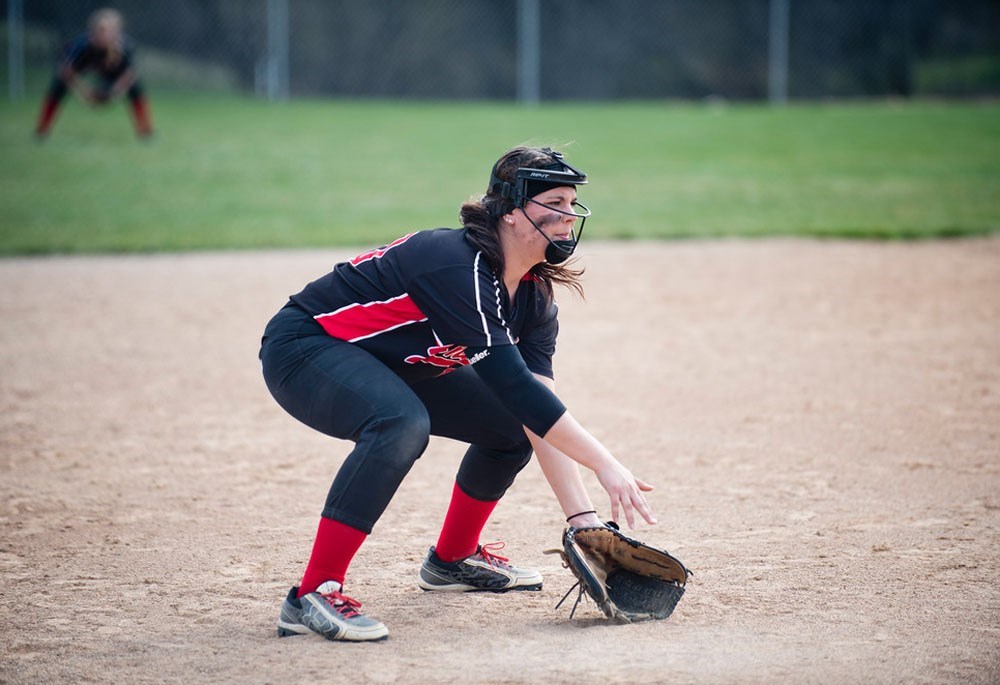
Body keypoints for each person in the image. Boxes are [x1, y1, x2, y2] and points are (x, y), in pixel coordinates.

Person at [259, 146, 657, 642]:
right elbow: (515, 386)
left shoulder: (532, 298)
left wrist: (583, 519)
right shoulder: (456, 265)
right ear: (511, 212)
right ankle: (311, 594)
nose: (567, 218)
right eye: (554, 203)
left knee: (511, 429)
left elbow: (535, 413)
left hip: (390, 364)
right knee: (400, 423)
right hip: (305, 348)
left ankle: (452, 560)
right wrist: (605, 463)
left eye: (571, 205)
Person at [34, 8, 154, 140]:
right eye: (102, 30)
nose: (108, 34)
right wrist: (84, 92)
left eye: (112, 30)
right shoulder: (82, 45)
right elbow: (65, 70)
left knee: (136, 88)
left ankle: (146, 131)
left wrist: (115, 91)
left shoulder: (125, 46)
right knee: (58, 85)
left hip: (112, 77)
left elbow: (131, 74)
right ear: (93, 31)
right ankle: (42, 129)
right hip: (83, 72)